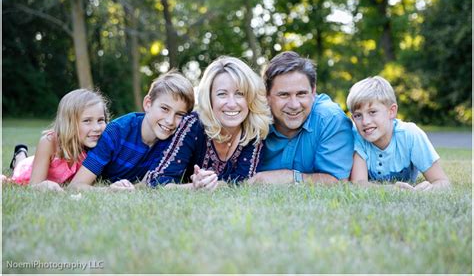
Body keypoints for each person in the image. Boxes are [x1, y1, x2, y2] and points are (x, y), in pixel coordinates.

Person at [144, 56, 272, 190]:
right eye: (222, 94)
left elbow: (243, 182)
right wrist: (195, 187)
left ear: (250, 97)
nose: (232, 104)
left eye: (240, 94)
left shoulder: (254, 130)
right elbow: (156, 181)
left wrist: (216, 185)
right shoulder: (193, 124)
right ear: (209, 98)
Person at [68, 71, 195, 190]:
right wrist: (109, 190)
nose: (170, 120)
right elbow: (76, 185)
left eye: (180, 114)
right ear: (148, 104)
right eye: (164, 109)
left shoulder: (175, 141)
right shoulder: (117, 132)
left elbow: (155, 184)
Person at [248, 51, 354, 184]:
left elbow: (339, 181)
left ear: (313, 91)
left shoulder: (330, 119)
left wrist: (292, 177)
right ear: (267, 95)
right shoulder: (252, 117)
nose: (294, 105)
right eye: (284, 95)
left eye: (301, 94)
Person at [346, 76, 450, 191]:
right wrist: (393, 189)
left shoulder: (410, 135)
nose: (365, 122)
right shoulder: (357, 137)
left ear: (391, 111)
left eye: (372, 112)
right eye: (358, 115)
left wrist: (430, 189)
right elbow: (359, 183)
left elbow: (441, 180)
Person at [2, 89, 109, 191]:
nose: (97, 128)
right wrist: (44, 185)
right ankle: (20, 154)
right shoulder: (49, 142)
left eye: (100, 120)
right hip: (29, 169)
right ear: (69, 123)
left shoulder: (97, 144)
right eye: (87, 121)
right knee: (20, 168)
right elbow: (33, 185)